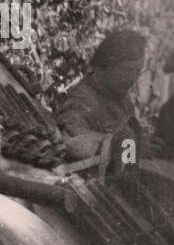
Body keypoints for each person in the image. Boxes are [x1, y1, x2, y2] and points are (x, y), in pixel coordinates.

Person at [56, 28, 151, 166]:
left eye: (137, 71)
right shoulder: (81, 101)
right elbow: (69, 144)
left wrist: (142, 143)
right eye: (128, 69)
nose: (133, 78)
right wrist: (130, 149)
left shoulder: (120, 97)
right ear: (106, 64)